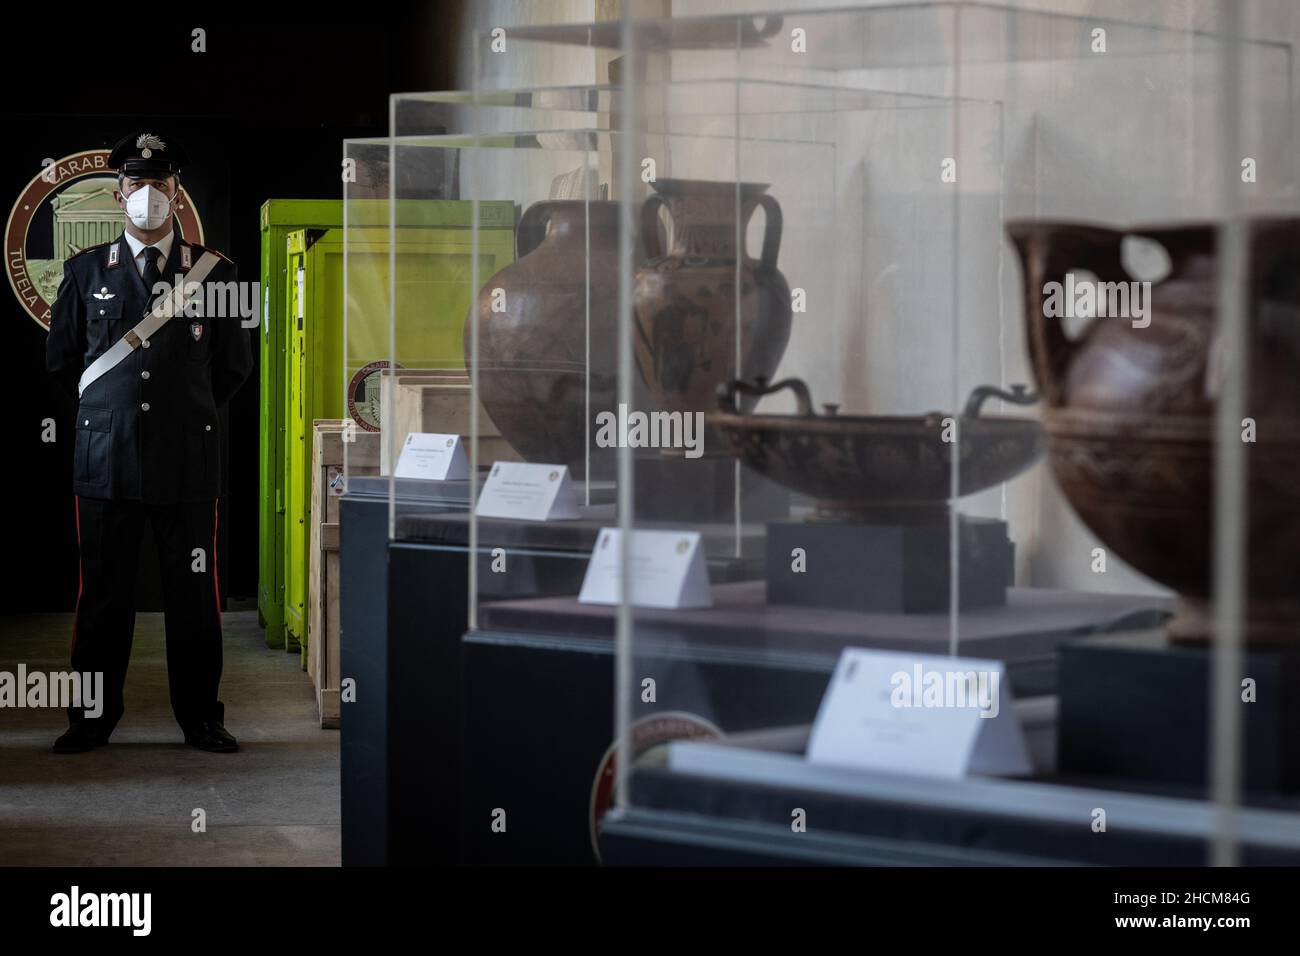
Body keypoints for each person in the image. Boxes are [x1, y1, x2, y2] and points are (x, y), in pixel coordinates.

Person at [45, 130, 252, 753]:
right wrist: (111, 420)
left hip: (186, 463)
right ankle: (91, 720)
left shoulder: (221, 274)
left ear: (176, 194)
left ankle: (202, 718)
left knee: (194, 596)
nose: (148, 196)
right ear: (118, 194)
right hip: (105, 460)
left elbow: (233, 368)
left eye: (160, 185)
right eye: (137, 185)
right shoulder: (84, 273)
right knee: (103, 597)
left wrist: (180, 418)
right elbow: (63, 364)